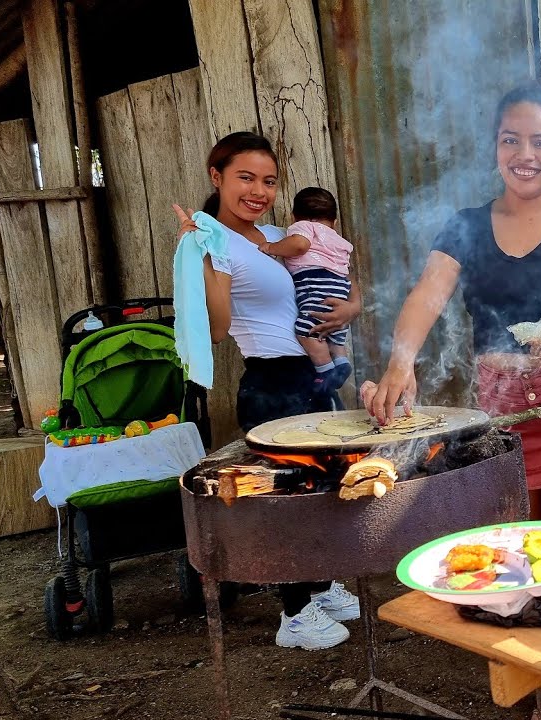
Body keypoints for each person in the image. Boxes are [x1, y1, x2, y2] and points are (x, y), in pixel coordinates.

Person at [364, 79, 541, 522]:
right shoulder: (464, 226)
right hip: (499, 406)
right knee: (515, 553)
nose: (525, 154)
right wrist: (401, 361)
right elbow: (428, 293)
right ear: (495, 147)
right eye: (511, 140)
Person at [173, 132, 363, 650]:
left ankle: (319, 586)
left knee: (327, 488)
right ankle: (295, 614)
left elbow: (339, 273)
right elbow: (215, 329)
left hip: (313, 373)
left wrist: (351, 309)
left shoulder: (280, 234)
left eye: (269, 180)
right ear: (217, 177)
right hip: (273, 382)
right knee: (289, 498)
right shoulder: (209, 241)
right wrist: (207, 262)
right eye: (245, 178)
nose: (258, 191)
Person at [255, 186, 356, 398]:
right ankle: (341, 359)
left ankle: (325, 370)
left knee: (306, 329)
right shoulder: (337, 238)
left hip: (314, 281)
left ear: (294, 217)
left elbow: (300, 245)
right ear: (334, 221)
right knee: (331, 331)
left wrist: (271, 248)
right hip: (339, 288)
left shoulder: (303, 227)